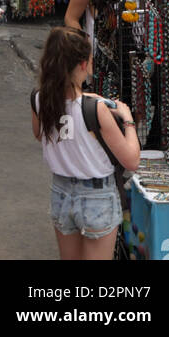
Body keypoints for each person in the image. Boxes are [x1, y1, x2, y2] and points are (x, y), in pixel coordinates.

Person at [31, 27, 139, 260]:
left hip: (61, 192)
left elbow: (40, 134)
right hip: (96, 197)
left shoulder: (40, 99)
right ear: (82, 64)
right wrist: (128, 119)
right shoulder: (95, 110)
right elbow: (131, 160)